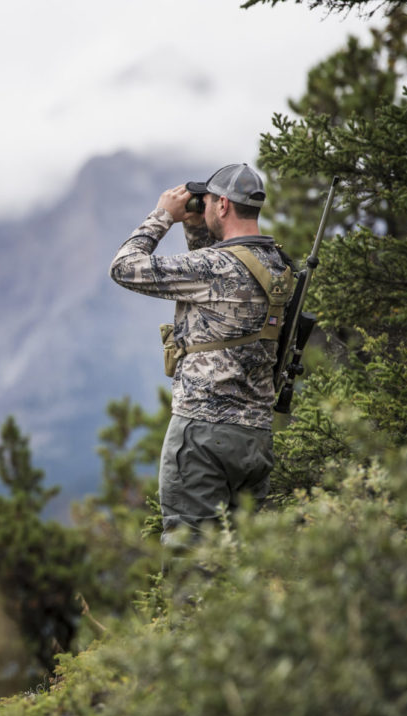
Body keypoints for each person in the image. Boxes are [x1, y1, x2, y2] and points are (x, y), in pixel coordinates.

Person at [109, 163, 292, 548]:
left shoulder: (213, 268)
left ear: (223, 205)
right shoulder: (278, 265)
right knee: (240, 559)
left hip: (202, 434)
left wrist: (162, 216)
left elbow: (124, 267)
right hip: (255, 437)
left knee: (191, 559)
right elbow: (219, 294)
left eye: (207, 201)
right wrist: (197, 228)